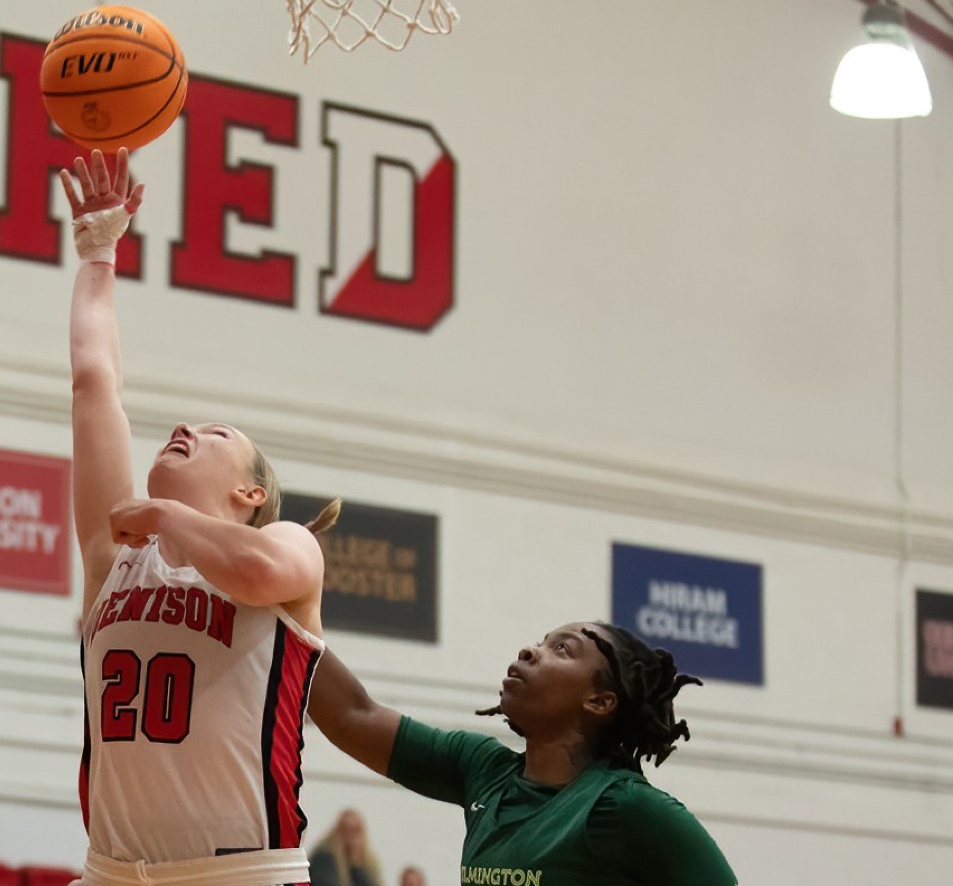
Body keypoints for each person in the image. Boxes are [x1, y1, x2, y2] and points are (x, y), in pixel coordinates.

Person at [61, 147, 340, 886]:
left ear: (251, 494)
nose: (184, 426)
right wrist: (98, 252)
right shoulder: (112, 555)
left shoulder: (289, 546)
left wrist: (161, 515)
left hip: (244, 876)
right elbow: (95, 384)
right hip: (112, 874)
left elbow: (254, 573)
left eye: (215, 435)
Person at [307, 622, 737, 885]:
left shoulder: (624, 806)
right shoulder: (481, 768)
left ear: (600, 702)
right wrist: (284, 612)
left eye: (562, 649)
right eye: (540, 641)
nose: (530, 651)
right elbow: (352, 716)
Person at [307, 810, 379, 886]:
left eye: (357, 830)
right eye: (350, 830)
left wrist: (356, 863)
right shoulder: (324, 859)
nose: (354, 837)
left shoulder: (367, 863)